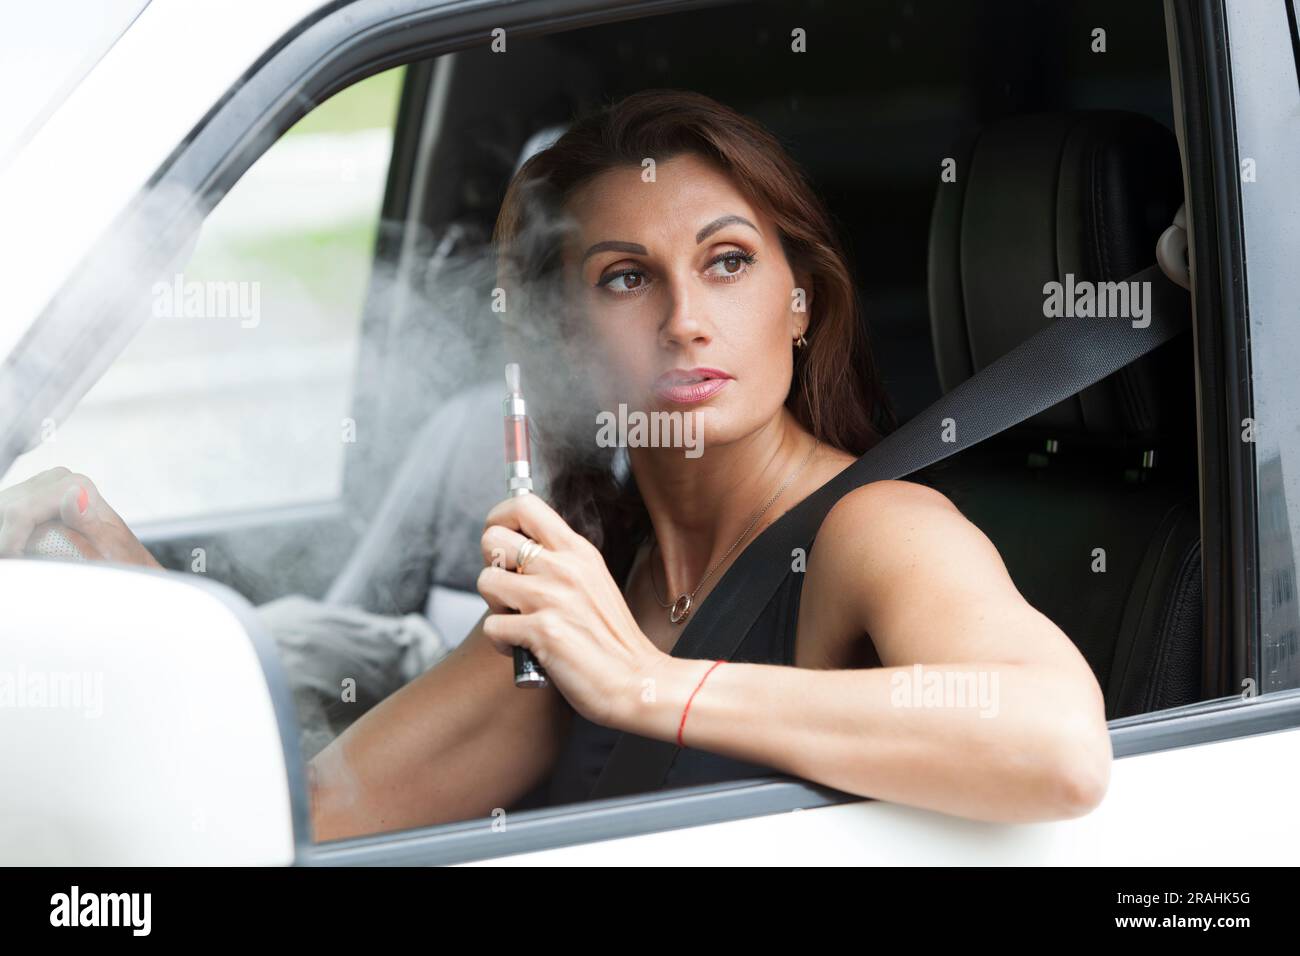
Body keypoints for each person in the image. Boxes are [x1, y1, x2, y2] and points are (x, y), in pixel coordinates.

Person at [0, 89, 1112, 841]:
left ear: (800, 298)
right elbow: (309, 812)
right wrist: (135, 587)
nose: (686, 318)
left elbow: (1061, 746)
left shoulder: (875, 528)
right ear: (561, 339)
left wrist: (647, 684)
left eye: (727, 262)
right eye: (626, 278)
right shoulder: (591, 574)